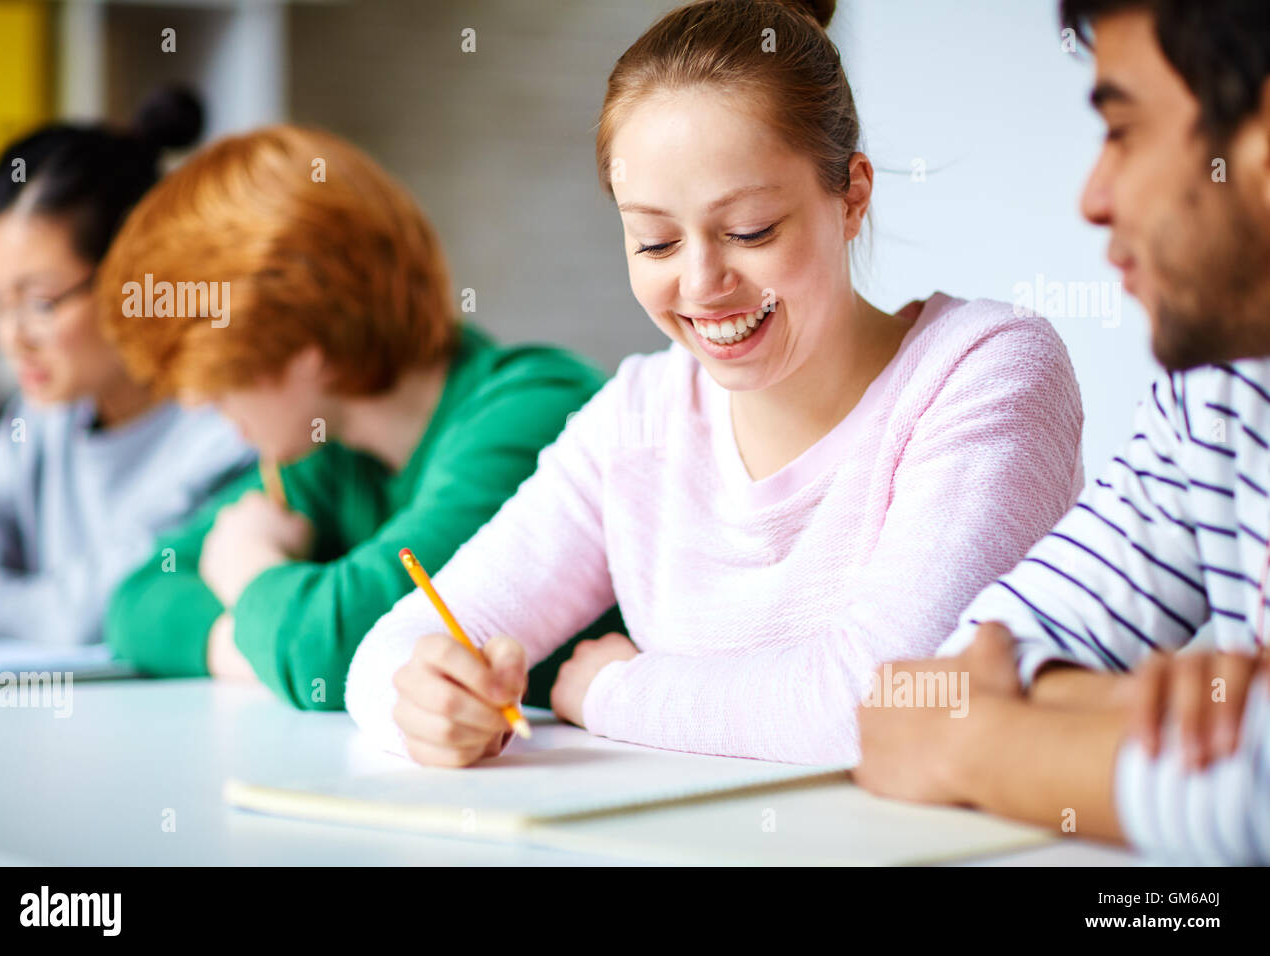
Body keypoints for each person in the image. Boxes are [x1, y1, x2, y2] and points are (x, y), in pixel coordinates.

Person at [343, 0, 1084, 767]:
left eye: (750, 230)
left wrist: (614, 692)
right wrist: (430, 700)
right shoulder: (638, 417)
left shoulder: (986, 372)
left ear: (853, 196)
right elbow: (389, 652)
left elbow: (893, 698)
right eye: (655, 241)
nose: (701, 284)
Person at [855, 0, 1270, 865]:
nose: (1093, 198)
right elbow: (937, 677)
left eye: (1122, 131)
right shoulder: (1221, 392)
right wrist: (1157, 712)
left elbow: (1251, 803)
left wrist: (974, 746)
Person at [100, 124, 619, 710]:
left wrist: (248, 570)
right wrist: (257, 642)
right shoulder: (326, 454)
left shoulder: (535, 413)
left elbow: (342, 649)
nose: (194, 399)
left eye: (213, 370)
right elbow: (135, 599)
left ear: (306, 341)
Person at [0, 87, 253, 647]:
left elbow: (89, 615)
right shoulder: (45, 415)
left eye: (40, 303)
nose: (10, 338)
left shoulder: (228, 432)